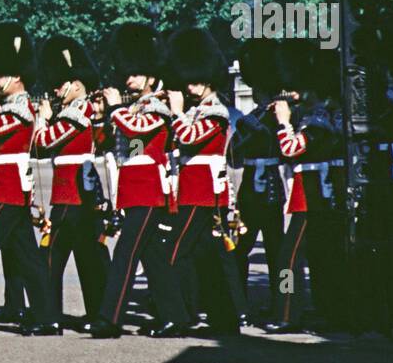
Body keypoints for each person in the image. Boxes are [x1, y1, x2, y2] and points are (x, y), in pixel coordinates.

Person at [88, 22, 189, 338]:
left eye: (134, 72)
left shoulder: (158, 103)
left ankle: (111, 317)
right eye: (126, 71)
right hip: (132, 188)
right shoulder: (131, 105)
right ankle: (176, 316)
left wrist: (115, 107)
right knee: (152, 257)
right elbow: (110, 142)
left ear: (149, 73)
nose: (128, 77)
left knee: (125, 253)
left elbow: (138, 129)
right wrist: (103, 112)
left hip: (149, 189)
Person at [0, 21, 59, 336]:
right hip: (7, 191)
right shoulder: (9, 108)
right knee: (28, 260)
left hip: (7, 191)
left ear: (16, 76)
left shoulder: (19, 111)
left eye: (0, 73)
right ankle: (47, 318)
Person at [161, 27, 244, 334]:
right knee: (206, 258)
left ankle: (180, 316)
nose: (191, 85)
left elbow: (189, 136)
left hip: (204, 191)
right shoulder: (197, 109)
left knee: (173, 252)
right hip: (191, 190)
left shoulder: (217, 112)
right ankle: (225, 320)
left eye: (196, 79)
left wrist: (177, 113)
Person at [32, 35, 111, 331]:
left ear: (76, 84)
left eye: (60, 83)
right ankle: (97, 315)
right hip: (83, 195)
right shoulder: (86, 111)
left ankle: (49, 317)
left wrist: (43, 119)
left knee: (49, 257)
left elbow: (43, 143)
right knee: (90, 258)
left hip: (70, 196)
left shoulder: (76, 114)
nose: (55, 89)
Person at [266, 42, 345, 334]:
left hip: (311, 196)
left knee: (289, 258)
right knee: (324, 258)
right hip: (318, 194)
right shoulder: (320, 116)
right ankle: (329, 311)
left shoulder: (319, 120)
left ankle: (287, 313)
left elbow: (290, 148)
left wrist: (283, 123)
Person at [229, 39, 287, 316]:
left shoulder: (280, 114)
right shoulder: (252, 115)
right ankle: (240, 305)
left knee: (278, 253)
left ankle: (283, 305)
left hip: (271, 181)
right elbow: (235, 154)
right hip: (250, 182)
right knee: (240, 248)